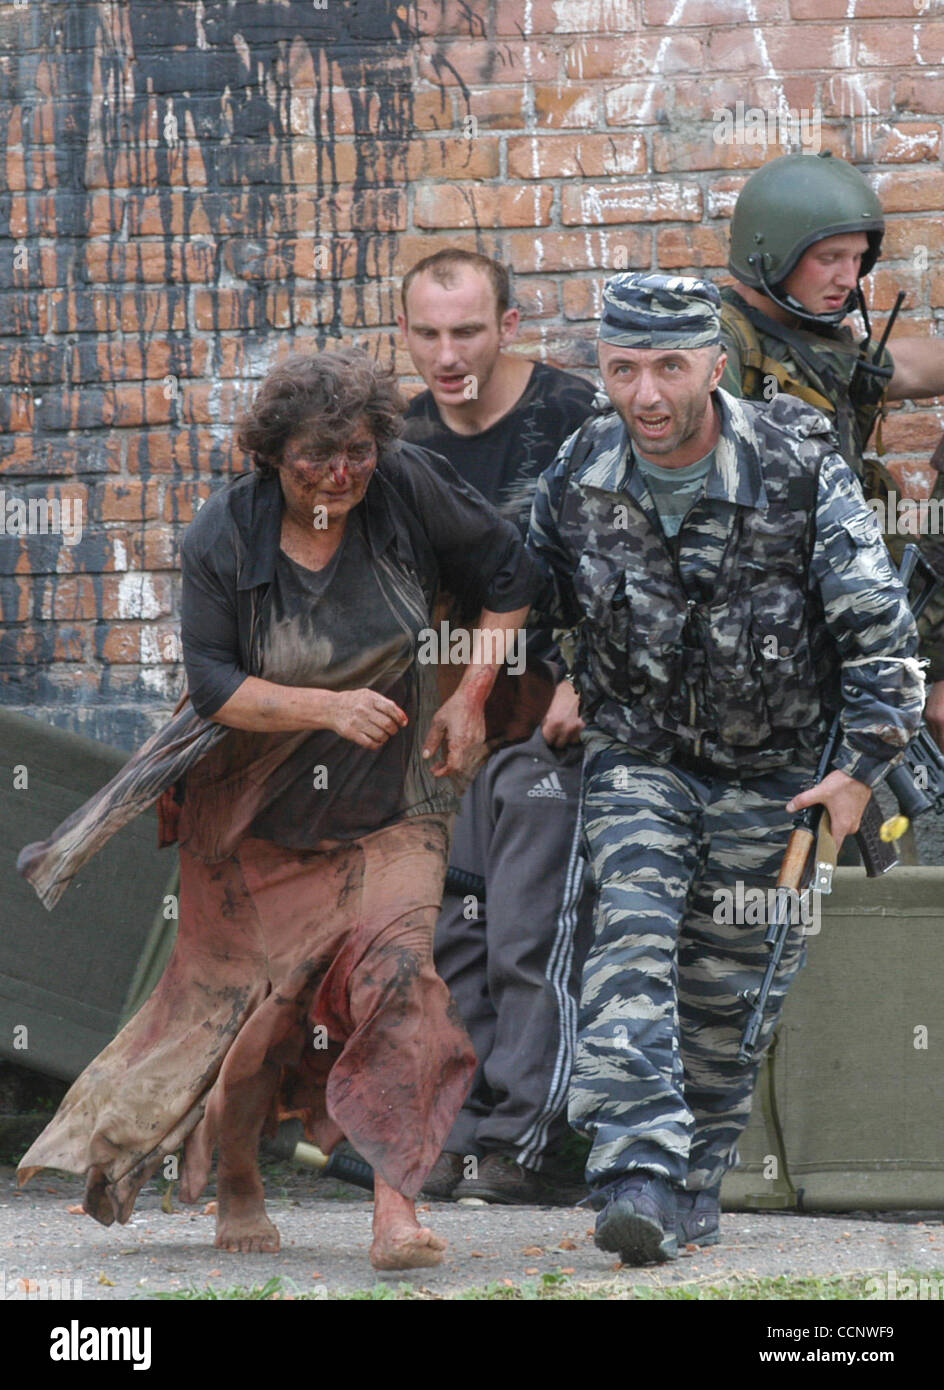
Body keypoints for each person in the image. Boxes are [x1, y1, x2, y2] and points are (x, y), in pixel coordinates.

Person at [16, 349, 547, 1272]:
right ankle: (236, 1174)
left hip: (394, 801)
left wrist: (467, 697)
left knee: (402, 984)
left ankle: (396, 1212)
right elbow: (215, 685)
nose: (339, 475)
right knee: (260, 1019)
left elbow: (510, 575)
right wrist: (327, 708)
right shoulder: (225, 534)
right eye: (316, 457)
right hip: (256, 815)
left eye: (357, 453)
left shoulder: (407, 488)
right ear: (271, 454)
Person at [527, 272, 924, 1264]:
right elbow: (525, 590)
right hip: (640, 757)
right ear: (602, 370)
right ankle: (633, 1170)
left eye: (668, 366)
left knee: (728, 994)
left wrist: (855, 778)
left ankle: (688, 1182)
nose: (646, 392)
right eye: (622, 368)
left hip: (783, 772)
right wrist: (560, 672)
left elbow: (883, 643)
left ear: (713, 362)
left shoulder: (794, 463)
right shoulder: (580, 467)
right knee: (629, 938)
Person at [397, 249, 596, 1203]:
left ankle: (528, 1137)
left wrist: (590, 677)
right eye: (428, 334)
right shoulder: (400, 443)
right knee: (452, 933)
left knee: (526, 926)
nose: (448, 354)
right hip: (454, 722)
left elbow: (642, 559)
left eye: (467, 330)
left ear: (509, 328)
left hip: (557, 720)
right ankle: (462, 1135)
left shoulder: (577, 417)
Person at [720, 150, 944, 752]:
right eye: (829, 259)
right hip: (765, 621)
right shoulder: (718, 344)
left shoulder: (817, 337)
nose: (849, 278)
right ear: (772, 254)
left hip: (845, 593)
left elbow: (907, 370)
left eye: (857, 258)